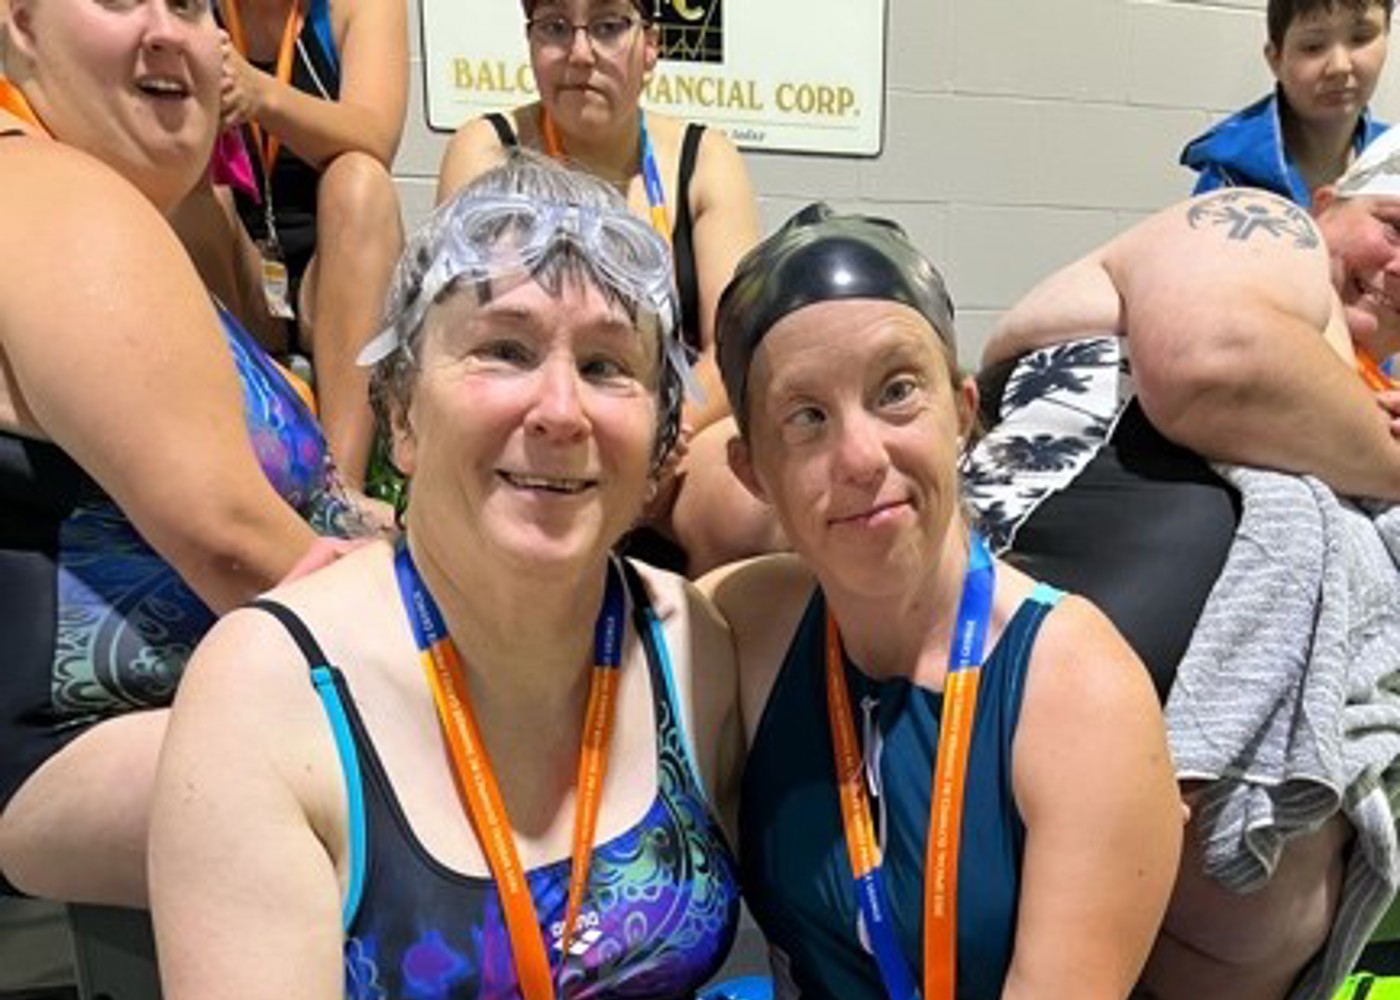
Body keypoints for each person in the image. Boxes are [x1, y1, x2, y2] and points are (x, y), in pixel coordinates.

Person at [149, 154, 745, 999]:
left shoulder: (693, 646)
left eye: (606, 366)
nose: (561, 410)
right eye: (504, 350)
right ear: (401, 414)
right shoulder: (271, 691)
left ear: (659, 439)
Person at [700, 206, 1182, 1000]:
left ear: (961, 413)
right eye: (807, 418)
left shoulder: (1077, 690)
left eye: (896, 391)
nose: (861, 457)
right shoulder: (752, 625)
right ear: (755, 473)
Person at [973, 131, 1400, 999]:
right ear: (1327, 203)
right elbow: (1214, 361)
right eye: (1394, 226)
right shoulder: (1266, 230)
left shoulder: (1355, 401)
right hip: (1001, 731)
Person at [0, 0, 366, 906]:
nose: (167, 30)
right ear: (21, 26)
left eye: (193, 4)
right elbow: (230, 538)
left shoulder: (124, 209)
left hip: (202, 710)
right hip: (82, 738)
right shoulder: (49, 196)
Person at [436, 0, 776, 575]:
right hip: (536, 410)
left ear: (651, 45)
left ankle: (700, 632)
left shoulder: (703, 158)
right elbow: (460, 335)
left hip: (674, 430)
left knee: (746, 506)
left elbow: (733, 346)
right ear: (530, 43)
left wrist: (660, 433)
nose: (580, 53)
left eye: (608, 26)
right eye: (555, 27)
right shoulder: (486, 149)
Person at [170, 0, 408, 490]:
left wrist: (261, 96)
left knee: (361, 179)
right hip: (235, 267)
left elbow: (376, 135)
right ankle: (232, 478)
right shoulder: (182, 11)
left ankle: (341, 490)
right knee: (190, 188)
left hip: (327, 278)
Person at [1180, 0, 1390, 207]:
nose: (1340, 67)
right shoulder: (1229, 182)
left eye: (1361, 38)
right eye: (1312, 47)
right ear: (1275, 59)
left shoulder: (1391, 157)